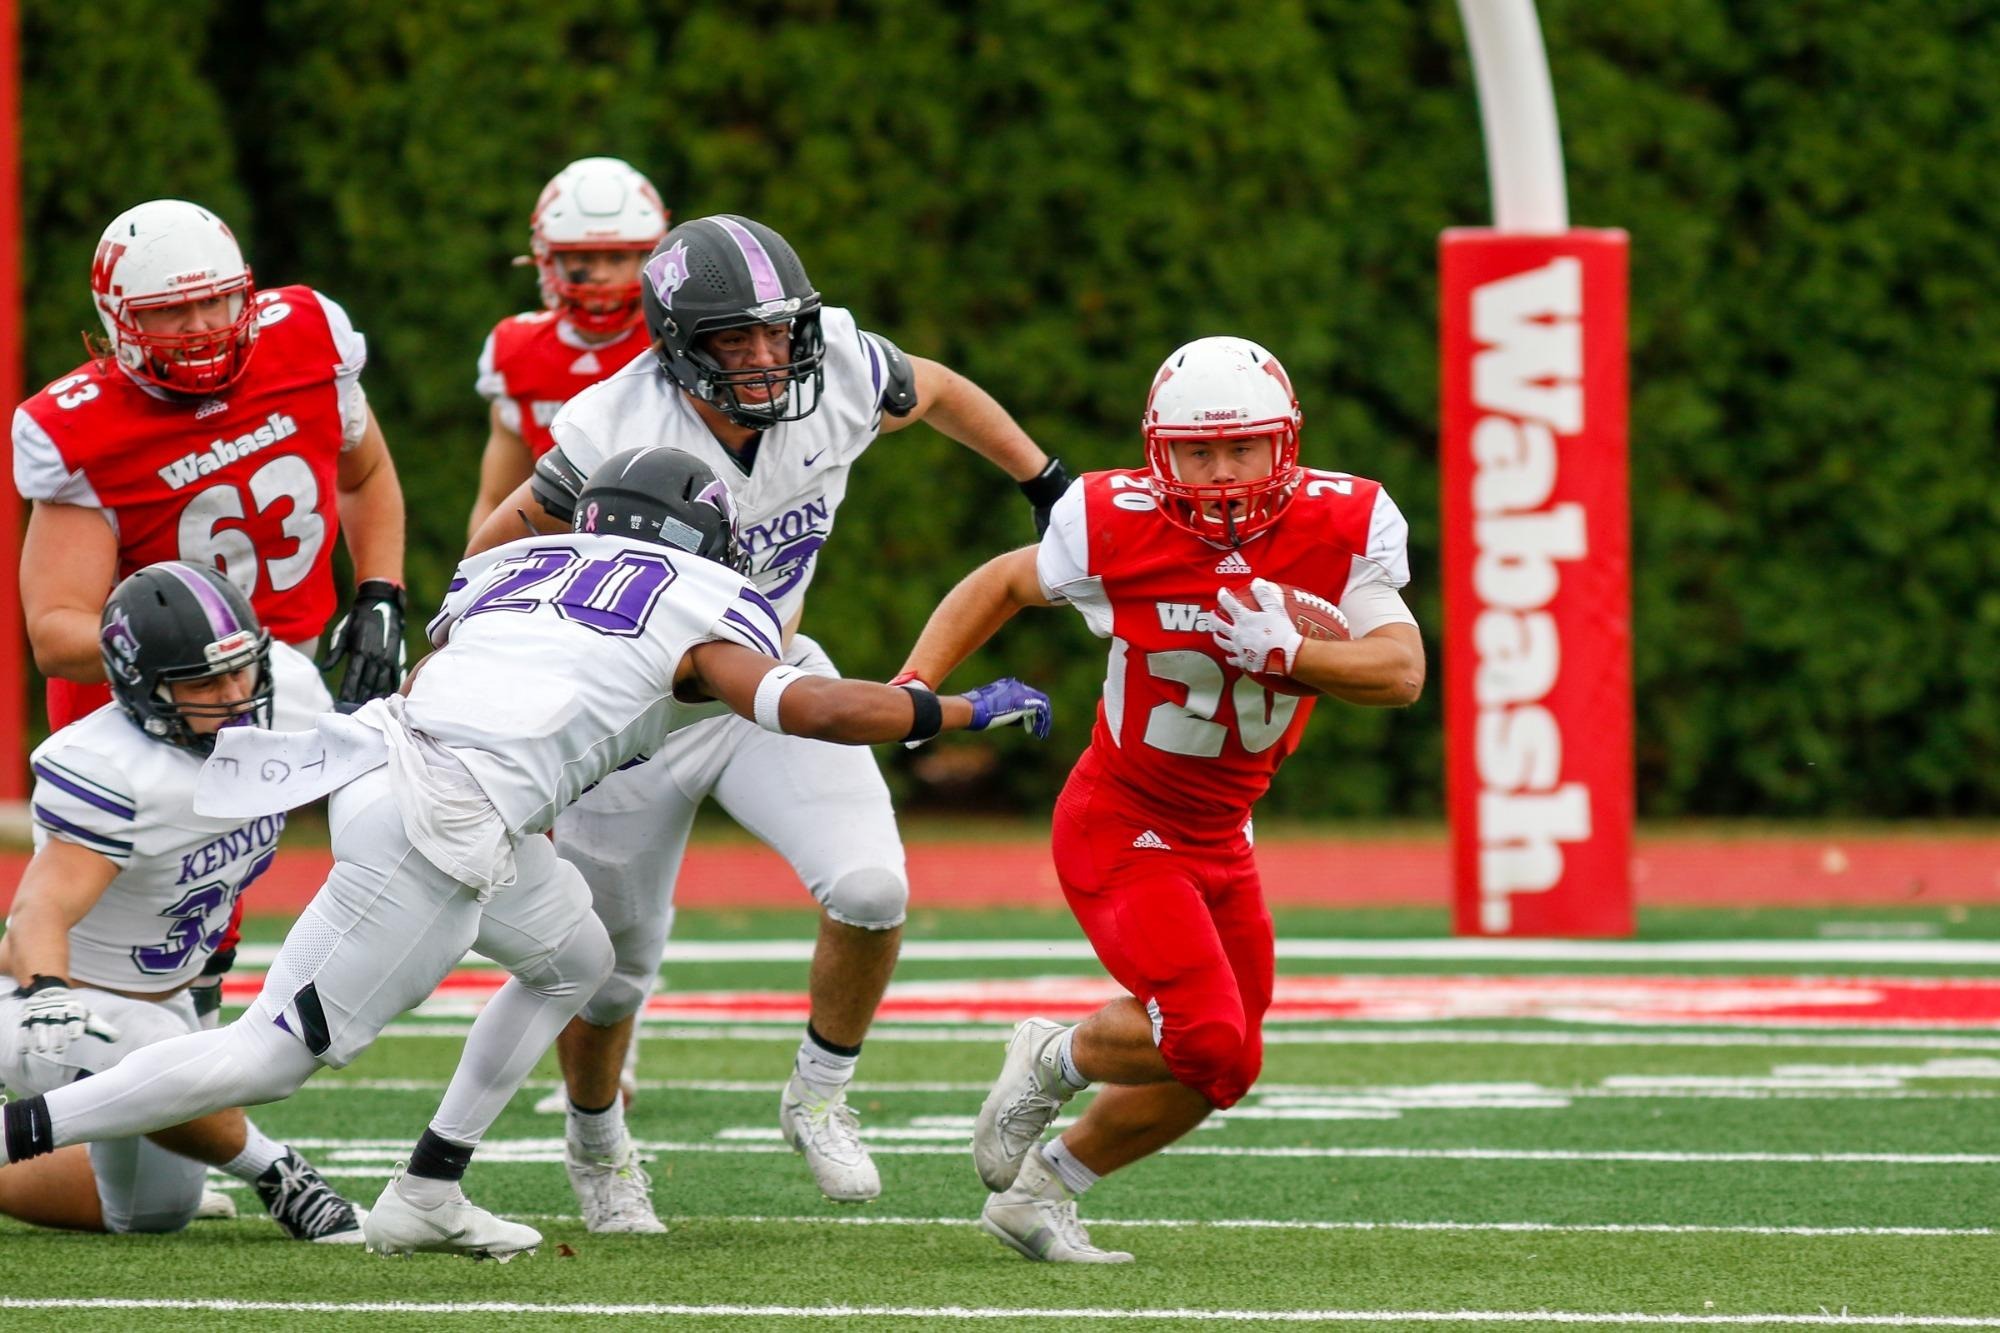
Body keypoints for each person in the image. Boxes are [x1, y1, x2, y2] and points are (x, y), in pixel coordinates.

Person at [0, 448, 1052, 1262]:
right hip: (441, 815)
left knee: (576, 958)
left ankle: (428, 1188)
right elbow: (811, 706)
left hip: (413, 776)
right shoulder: (702, 596)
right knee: (270, 1056)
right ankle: (18, 1131)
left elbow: (465, 671)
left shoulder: (515, 563)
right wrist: (946, 706)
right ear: (702, 538)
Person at [466, 213, 1070, 1227]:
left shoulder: (834, 363)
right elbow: (488, 559)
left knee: (872, 886)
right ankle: (596, 1139)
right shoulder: (612, 424)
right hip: (632, 713)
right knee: (610, 973)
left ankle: (818, 1094)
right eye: (730, 340)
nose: (762, 358)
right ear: (675, 345)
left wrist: (1042, 480)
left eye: (775, 332)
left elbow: (942, 391)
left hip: (770, 678)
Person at [895, 336, 1426, 1263]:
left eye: (1243, 448)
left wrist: (1290, 653)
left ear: (1285, 444)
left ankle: (1044, 1191)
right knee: (1207, 1032)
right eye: (1197, 451)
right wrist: (914, 686)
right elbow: (1003, 582)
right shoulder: (1115, 521)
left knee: (1230, 1063)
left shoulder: (1346, 520)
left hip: (1224, 831)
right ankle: (1050, 1055)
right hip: (1121, 817)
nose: (1221, 474)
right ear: (1159, 451)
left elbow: (1403, 670)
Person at [12, 198, 410, 1003]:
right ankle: (54, 1056)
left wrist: (379, 591)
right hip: (137, 711)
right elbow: (56, 631)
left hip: (271, 683)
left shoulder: (304, 338)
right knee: (120, 950)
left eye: (215, 300)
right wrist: (197, 651)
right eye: (169, 312)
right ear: (117, 322)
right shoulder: (85, 427)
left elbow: (364, 474)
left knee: (216, 913)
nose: (199, 327)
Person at [0, 562, 364, 1242]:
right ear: (144, 689)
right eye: (203, 681)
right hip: (57, 1005)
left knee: (147, 1213)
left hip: (166, 988)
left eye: (239, 670)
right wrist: (46, 986)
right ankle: (281, 1176)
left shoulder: (285, 691)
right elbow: (39, 908)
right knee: (159, 1051)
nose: (233, 694)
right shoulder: (108, 769)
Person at [468, 157, 668, 539]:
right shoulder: (517, 349)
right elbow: (497, 498)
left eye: (618, 257)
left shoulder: (674, 343)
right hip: (555, 555)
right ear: (547, 258)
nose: (602, 276)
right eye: (583, 258)